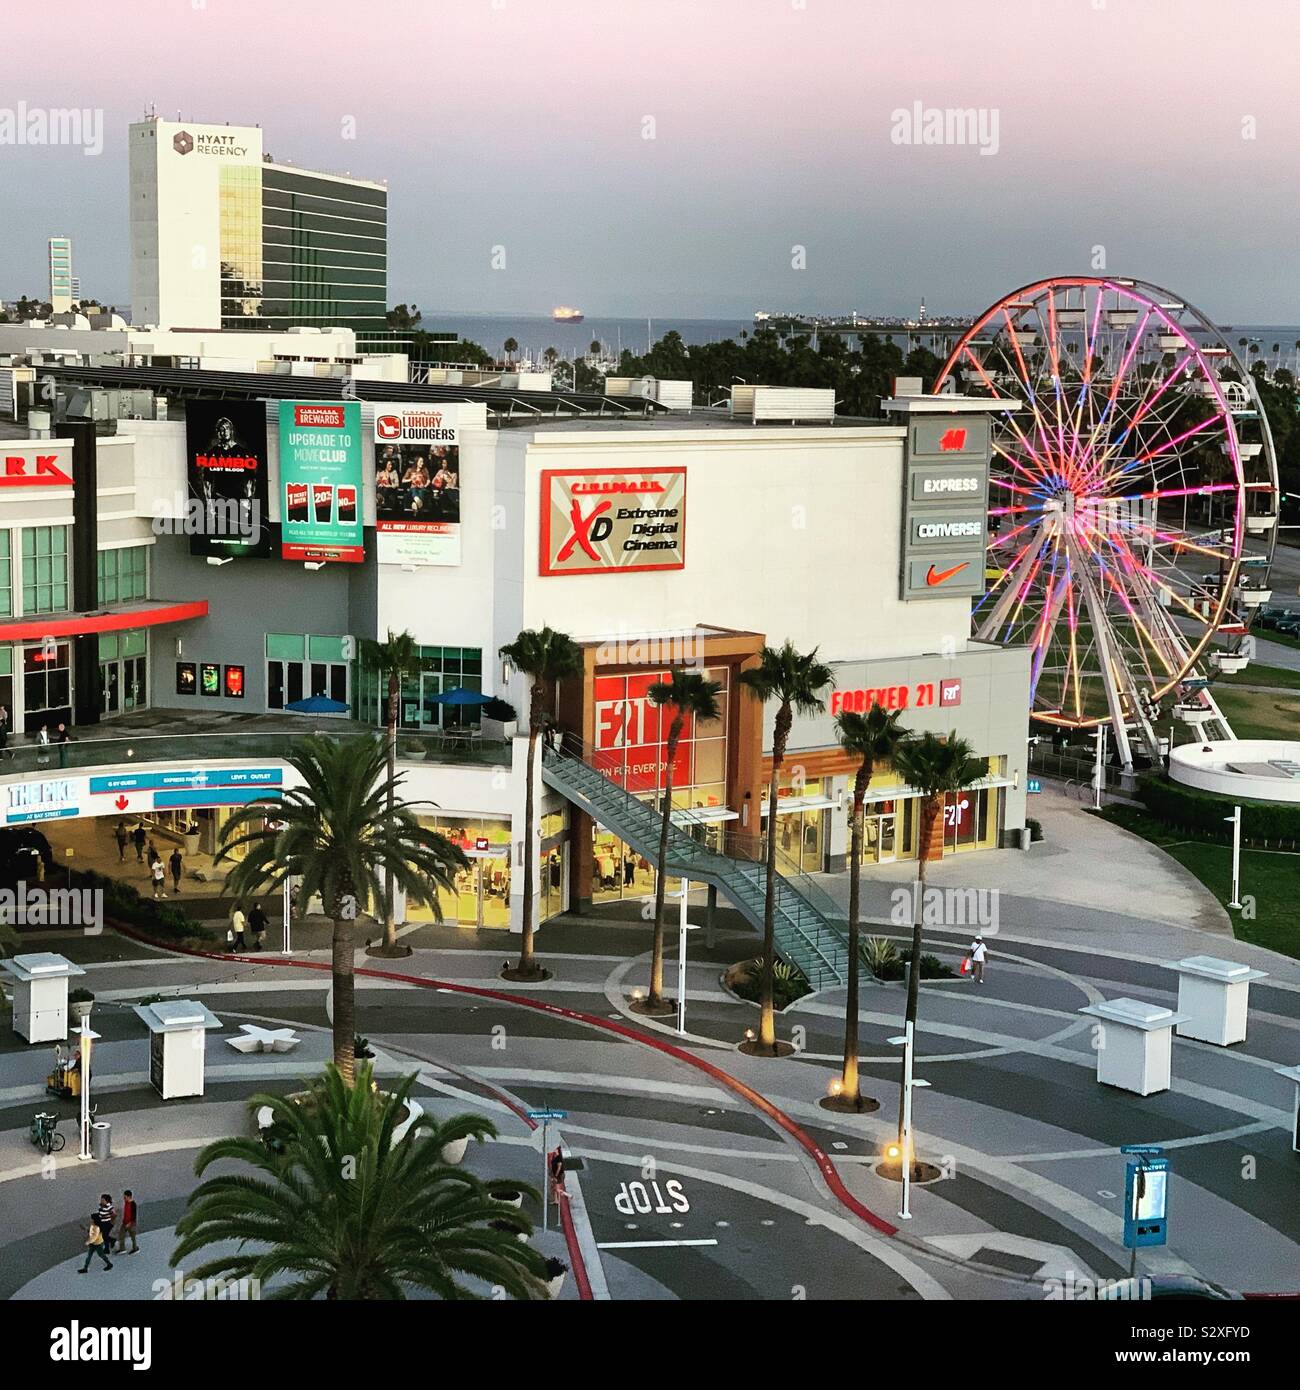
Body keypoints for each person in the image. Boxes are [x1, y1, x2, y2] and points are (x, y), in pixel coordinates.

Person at [116, 1190, 139, 1254]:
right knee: (121, 1234)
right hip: (125, 1222)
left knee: (133, 1236)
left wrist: (130, 1223)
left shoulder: (133, 1204)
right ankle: (122, 1248)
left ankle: (135, 1248)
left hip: (131, 1223)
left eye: (125, 1197)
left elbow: (134, 1215)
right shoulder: (126, 1202)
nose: (124, 1198)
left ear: (129, 1197)